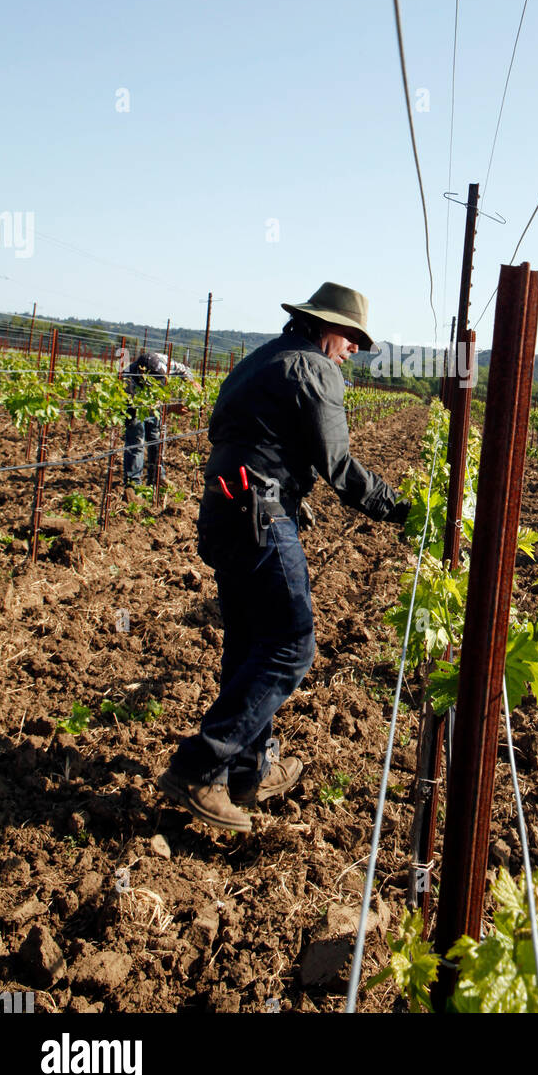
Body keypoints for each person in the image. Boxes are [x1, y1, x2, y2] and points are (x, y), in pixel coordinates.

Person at [158, 282, 410, 833]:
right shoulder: (315, 369)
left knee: (250, 644)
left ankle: (249, 771)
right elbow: (340, 469)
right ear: (328, 329)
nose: (355, 351)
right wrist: (403, 511)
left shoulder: (258, 361)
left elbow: (237, 438)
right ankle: (199, 767)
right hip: (259, 518)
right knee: (292, 645)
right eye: (352, 340)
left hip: (225, 511)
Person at [121, 348, 194, 487]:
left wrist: (191, 382)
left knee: (157, 438)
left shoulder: (165, 363)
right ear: (143, 374)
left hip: (154, 402)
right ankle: (133, 485)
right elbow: (142, 408)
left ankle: (157, 478)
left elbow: (184, 370)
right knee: (137, 442)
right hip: (136, 406)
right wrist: (169, 408)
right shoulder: (127, 381)